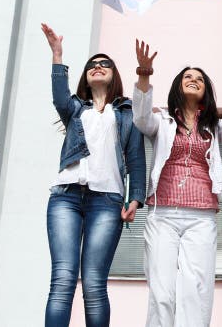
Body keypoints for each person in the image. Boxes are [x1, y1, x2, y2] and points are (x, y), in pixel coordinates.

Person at [132, 40, 222, 327]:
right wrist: (144, 74)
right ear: (178, 87)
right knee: (162, 293)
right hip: (162, 214)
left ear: (206, 91)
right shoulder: (163, 121)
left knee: (196, 291)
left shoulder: (213, 127)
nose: (193, 80)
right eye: (187, 77)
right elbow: (141, 118)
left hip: (201, 217)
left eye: (200, 79)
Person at [41, 23, 146, 327]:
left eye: (104, 64)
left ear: (114, 75)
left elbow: (136, 158)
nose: (97, 67)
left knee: (94, 283)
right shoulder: (75, 109)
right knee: (62, 279)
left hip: (107, 201)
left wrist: (135, 198)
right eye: (92, 65)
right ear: (86, 77)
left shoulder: (127, 113)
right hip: (66, 197)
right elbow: (60, 97)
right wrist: (57, 54)